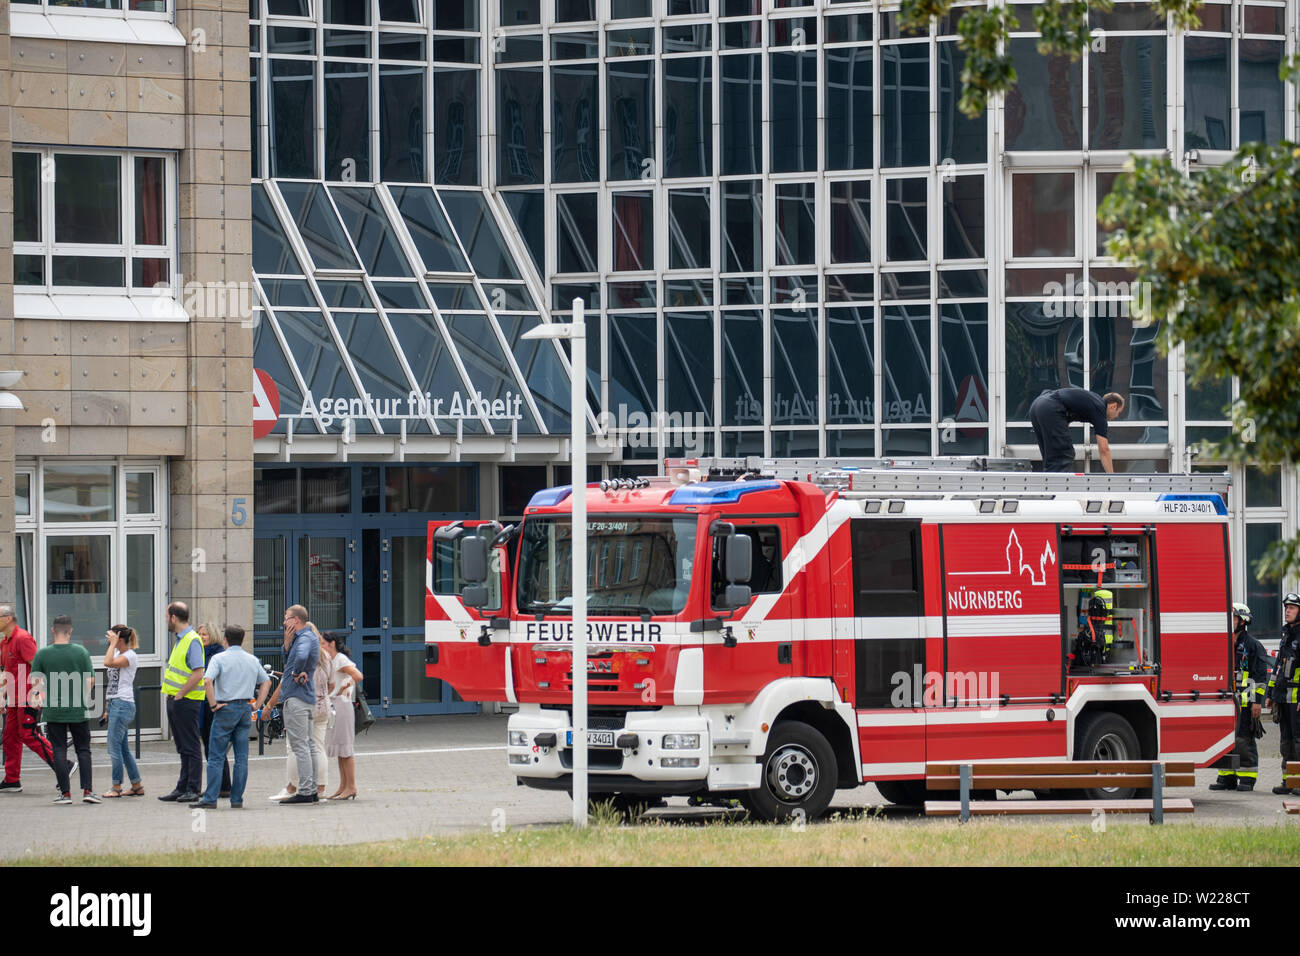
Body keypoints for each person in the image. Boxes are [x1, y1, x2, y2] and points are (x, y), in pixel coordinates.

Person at [195, 625, 271, 809]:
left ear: (225, 640)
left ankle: (210, 798)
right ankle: (236, 799)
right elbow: (266, 682)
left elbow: (207, 680)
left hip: (225, 708)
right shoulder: (252, 659)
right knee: (241, 757)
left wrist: (213, 704)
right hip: (245, 708)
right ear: (242, 639)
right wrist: (257, 705)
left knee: (216, 756)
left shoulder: (219, 658)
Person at [31, 615, 98, 804]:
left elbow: (35, 682)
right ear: (70, 631)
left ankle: (65, 794)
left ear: (53, 630)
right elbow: (90, 680)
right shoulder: (81, 652)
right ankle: (88, 792)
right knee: (83, 750)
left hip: (54, 711)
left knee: (59, 750)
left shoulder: (42, 654)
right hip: (78, 709)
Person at [1209, 603, 1269, 792]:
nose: (1230, 622)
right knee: (1224, 739)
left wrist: (1256, 703)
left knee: (1244, 740)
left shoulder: (1253, 646)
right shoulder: (1223, 643)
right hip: (1225, 701)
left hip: (1244, 702)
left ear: (1243, 621)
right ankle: (1226, 777)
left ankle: (1247, 778)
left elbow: (1259, 677)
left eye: (1233, 618)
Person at [0, 603, 56, 793]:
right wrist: (2, 697)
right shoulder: (4, 642)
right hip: (15, 699)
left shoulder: (23, 638)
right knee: (9, 738)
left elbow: (39, 667)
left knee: (28, 735)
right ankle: (12, 780)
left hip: (28, 697)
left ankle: (63, 765)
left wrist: (37, 693)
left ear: (7, 619)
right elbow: (7, 673)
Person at [158, 602, 205, 803]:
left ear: (174, 618)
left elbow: (198, 672)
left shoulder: (191, 640)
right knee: (183, 746)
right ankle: (182, 787)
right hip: (178, 700)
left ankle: (193, 789)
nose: (165, 620)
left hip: (186, 701)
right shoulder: (182, 639)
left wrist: (180, 694)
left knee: (191, 745)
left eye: (166, 616)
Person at [276, 605, 320, 805]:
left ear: (295, 620)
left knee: (300, 746)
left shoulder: (304, 638)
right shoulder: (304, 638)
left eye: (286, 618)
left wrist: (296, 672)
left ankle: (305, 791)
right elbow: (290, 658)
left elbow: (300, 657)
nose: (284, 622)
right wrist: (286, 643)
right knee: (309, 745)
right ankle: (311, 790)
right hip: (306, 698)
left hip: (296, 698)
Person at [1028, 388, 1125, 472]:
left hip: (1037, 405)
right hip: (1050, 408)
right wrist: (1111, 477)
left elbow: (1065, 415)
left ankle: (1047, 489)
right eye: (1118, 412)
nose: (1117, 416)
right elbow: (1104, 449)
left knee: (1052, 458)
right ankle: (1056, 491)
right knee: (1064, 455)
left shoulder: (1093, 401)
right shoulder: (1100, 410)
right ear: (1113, 406)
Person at [101, 625, 144, 798]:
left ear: (119, 638)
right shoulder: (118, 654)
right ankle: (136, 785)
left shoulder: (130, 656)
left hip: (123, 704)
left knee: (113, 748)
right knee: (123, 748)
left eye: (111, 637)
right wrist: (106, 709)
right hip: (115, 703)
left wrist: (112, 645)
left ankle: (116, 786)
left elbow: (107, 662)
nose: (108, 639)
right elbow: (112, 683)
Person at [321, 631, 363, 800]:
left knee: (345, 747)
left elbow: (358, 675)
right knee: (340, 748)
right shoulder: (330, 660)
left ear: (331, 644)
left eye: (323, 643)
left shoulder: (340, 659)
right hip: (334, 705)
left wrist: (347, 684)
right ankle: (343, 786)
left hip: (342, 706)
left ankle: (351, 787)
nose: (320, 647)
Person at [1267, 592, 1300, 795]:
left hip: (1297, 699)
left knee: (1298, 741)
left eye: (1292, 608)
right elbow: (1278, 667)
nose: (1287, 611)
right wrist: (1270, 693)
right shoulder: (1286, 635)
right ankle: (1288, 780)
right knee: (1286, 741)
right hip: (1283, 697)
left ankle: (1298, 782)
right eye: (1286, 607)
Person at [197, 622, 232, 798]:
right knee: (210, 748)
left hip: (214, 705)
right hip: (203, 705)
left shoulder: (217, 654)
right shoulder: (201, 653)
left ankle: (221, 786)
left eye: (205, 634)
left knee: (215, 749)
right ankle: (223, 785)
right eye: (200, 634)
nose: (202, 637)